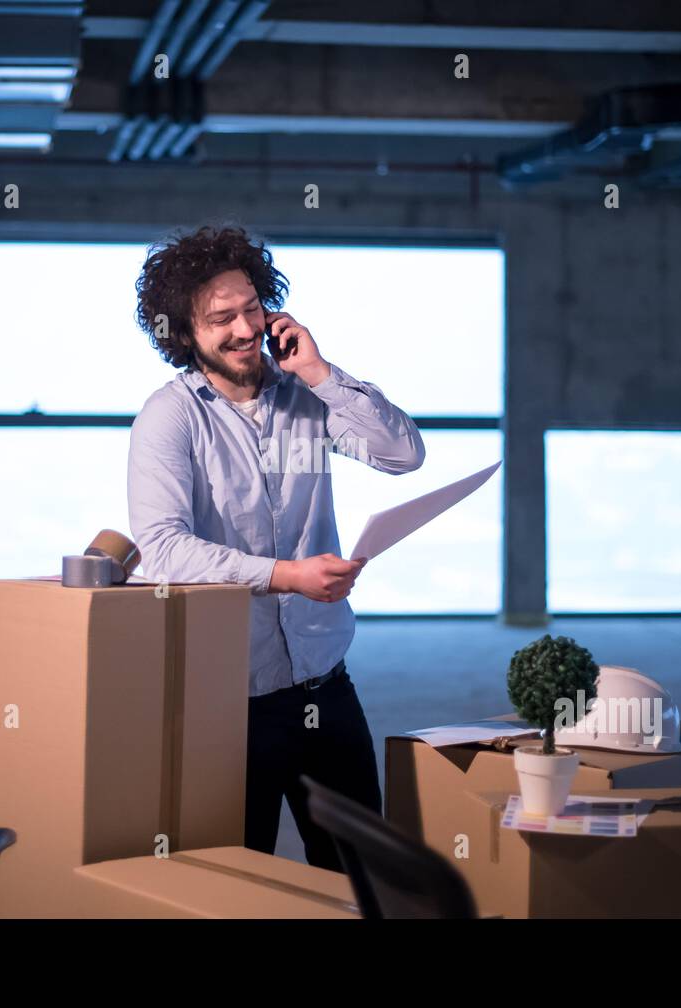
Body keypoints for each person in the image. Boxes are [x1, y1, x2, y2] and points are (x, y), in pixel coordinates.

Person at [127, 222, 426, 871]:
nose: (242, 329)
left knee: (363, 881)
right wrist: (286, 576)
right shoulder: (170, 416)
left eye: (250, 309)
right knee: (236, 888)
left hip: (328, 688)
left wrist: (320, 371)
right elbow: (164, 549)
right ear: (184, 333)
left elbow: (404, 455)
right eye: (219, 319)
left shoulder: (308, 399)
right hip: (228, 705)